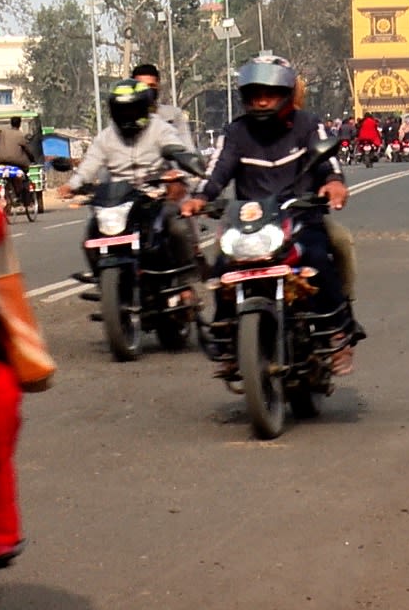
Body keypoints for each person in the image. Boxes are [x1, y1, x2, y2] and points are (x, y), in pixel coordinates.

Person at [181, 56, 359, 374]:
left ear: (288, 94)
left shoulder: (308, 124)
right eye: (254, 94)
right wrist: (199, 198)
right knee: (222, 267)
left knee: (324, 253)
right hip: (250, 224)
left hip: (300, 218)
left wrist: (333, 183)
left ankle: (337, 331)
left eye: (270, 93)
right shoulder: (235, 132)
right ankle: (227, 338)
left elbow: (328, 162)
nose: (262, 101)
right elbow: (217, 170)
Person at [57, 78, 197, 270]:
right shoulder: (106, 136)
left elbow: (176, 149)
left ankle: (183, 281)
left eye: (132, 109)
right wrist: (72, 185)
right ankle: (101, 278)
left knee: (176, 226)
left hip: (154, 197)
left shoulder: (160, 128)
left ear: (144, 108)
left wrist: (177, 168)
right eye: (122, 110)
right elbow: (90, 164)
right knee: (90, 234)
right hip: (119, 200)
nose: (127, 115)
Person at [130, 62, 196, 150]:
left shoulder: (173, 115)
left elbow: (187, 148)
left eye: (151, 86)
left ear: (158, 86)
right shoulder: (123, 119)